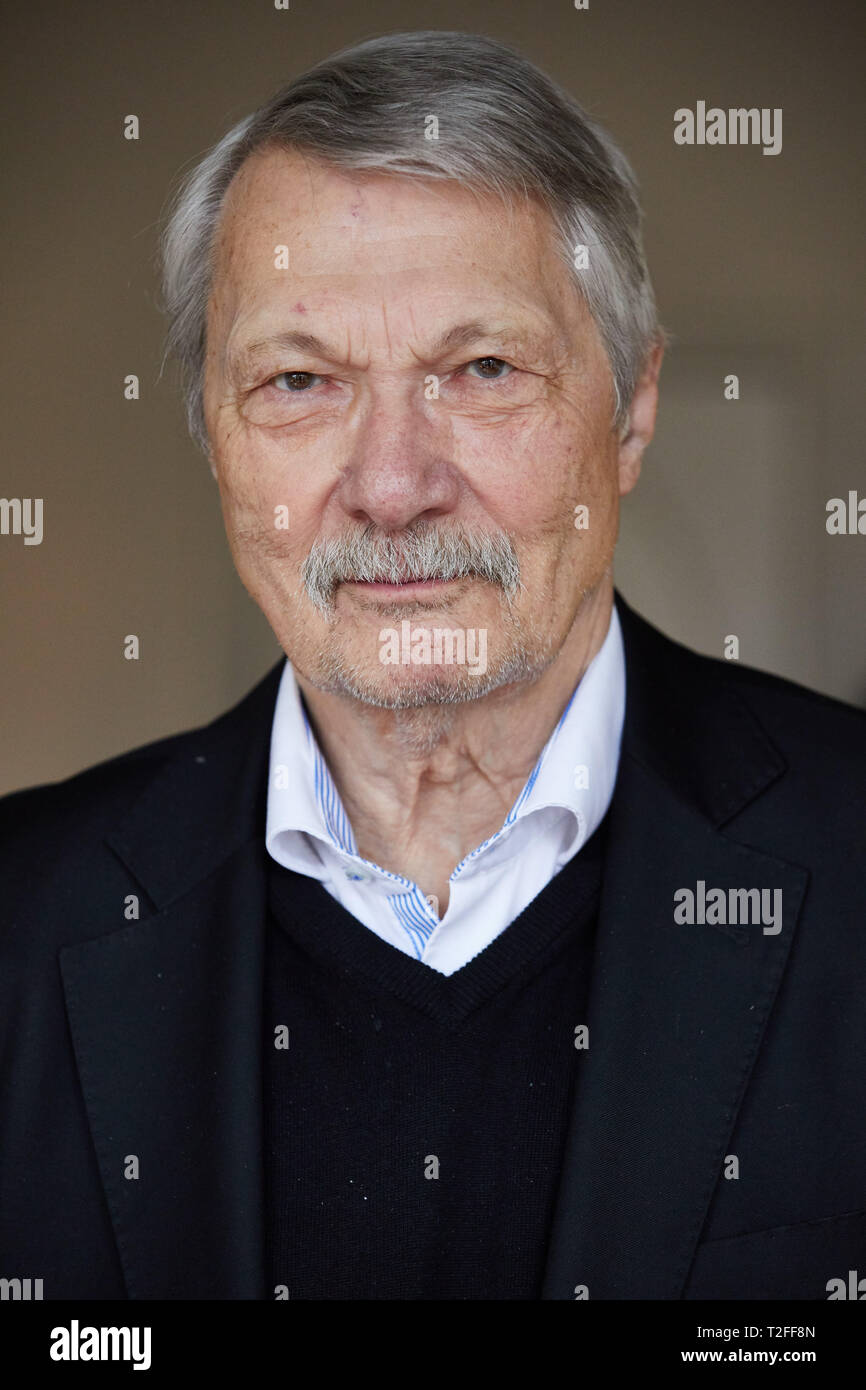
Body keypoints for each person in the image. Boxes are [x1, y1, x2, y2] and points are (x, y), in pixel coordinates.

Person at [1, 31, 864, 1301]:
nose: (392, 486)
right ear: (216, 441)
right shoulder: (21, 923)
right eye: (299, 380)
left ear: (628, 410)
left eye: (481, 370)